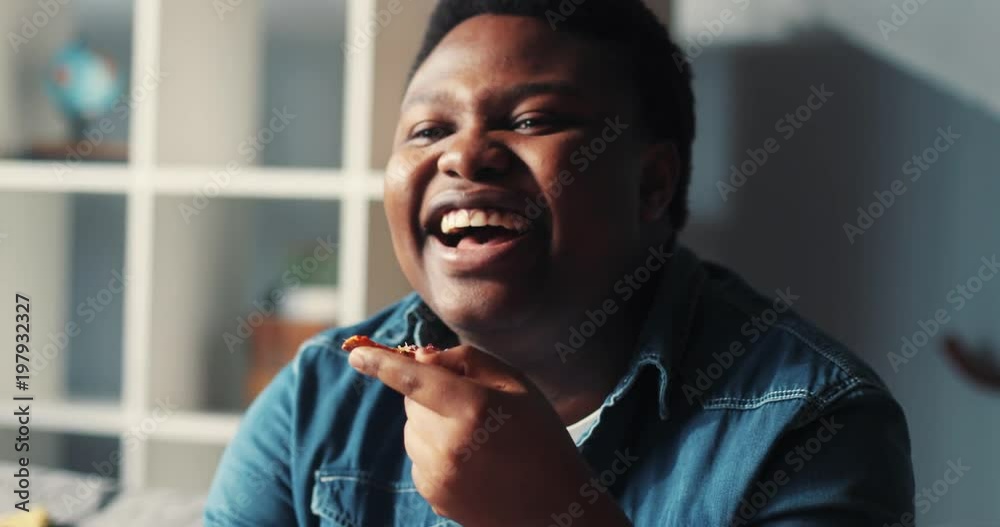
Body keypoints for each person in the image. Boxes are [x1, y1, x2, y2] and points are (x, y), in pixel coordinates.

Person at [205, 1, 914, 525]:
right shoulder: (317, 399)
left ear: (652, 184)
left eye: (532, 120)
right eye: (428, 129)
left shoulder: (814, 422)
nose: (462, 154)